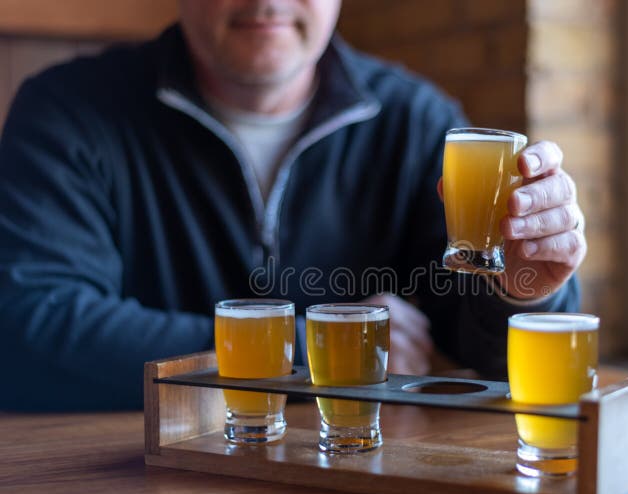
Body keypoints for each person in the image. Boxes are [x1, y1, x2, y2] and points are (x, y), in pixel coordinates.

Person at [0, 0, 586, 410]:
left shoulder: (417, 121)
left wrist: (525, 283)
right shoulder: (67, 113)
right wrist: (327, 350)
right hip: (132, 486)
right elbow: (35, 325)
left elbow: (491, 359)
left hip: (361, 485)